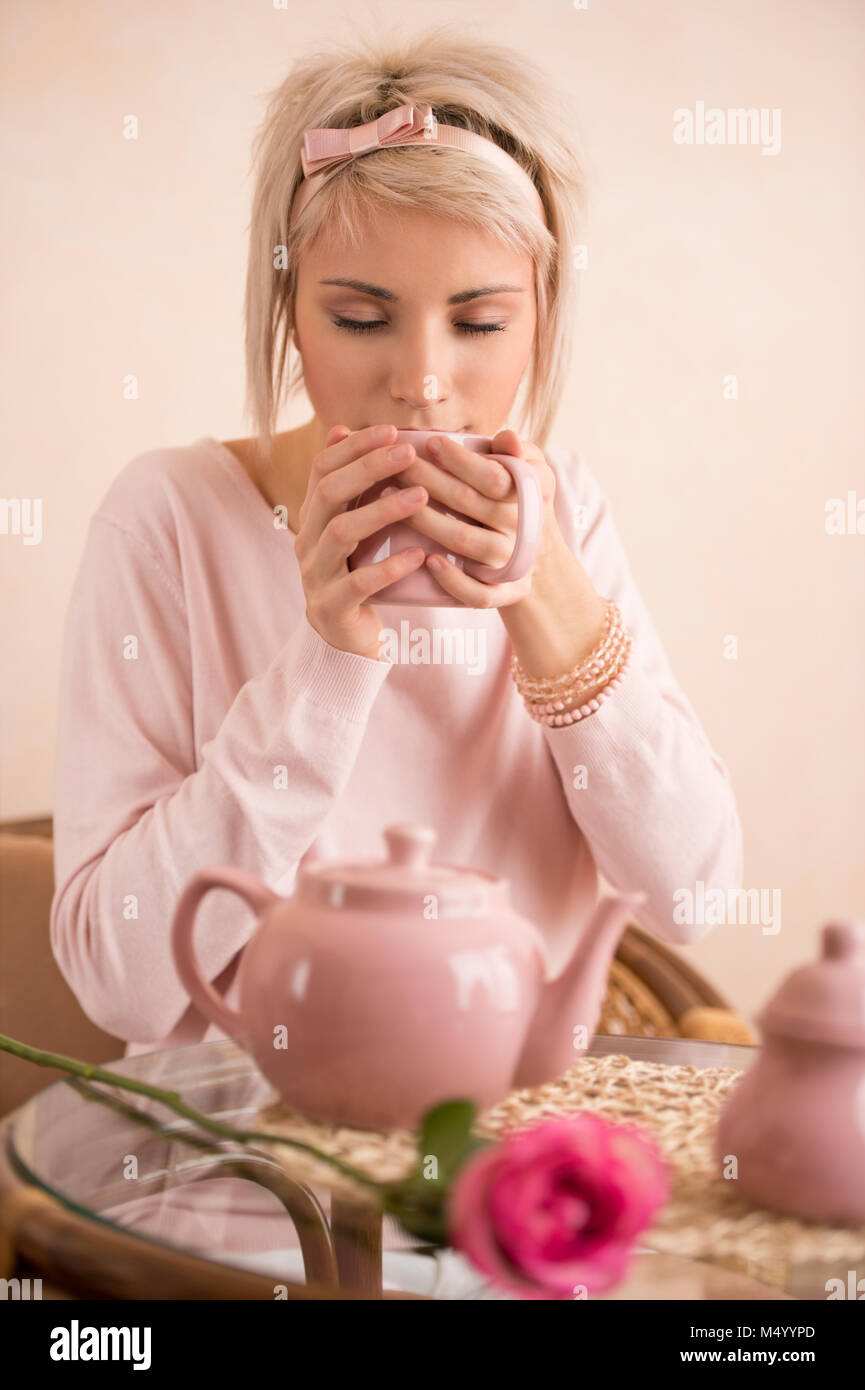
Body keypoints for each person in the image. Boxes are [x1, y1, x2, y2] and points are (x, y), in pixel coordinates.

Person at [48, 29, 742, 1287]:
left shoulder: (569, 515)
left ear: (540, 320)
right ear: (287, 314)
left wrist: (548, 607)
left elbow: (695, 896)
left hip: (507, 1192)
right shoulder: (166, 517)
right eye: (359, 315)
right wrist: (323, 659)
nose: (422, 383)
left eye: (479, 321)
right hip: (233, 1193)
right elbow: (120, 985)